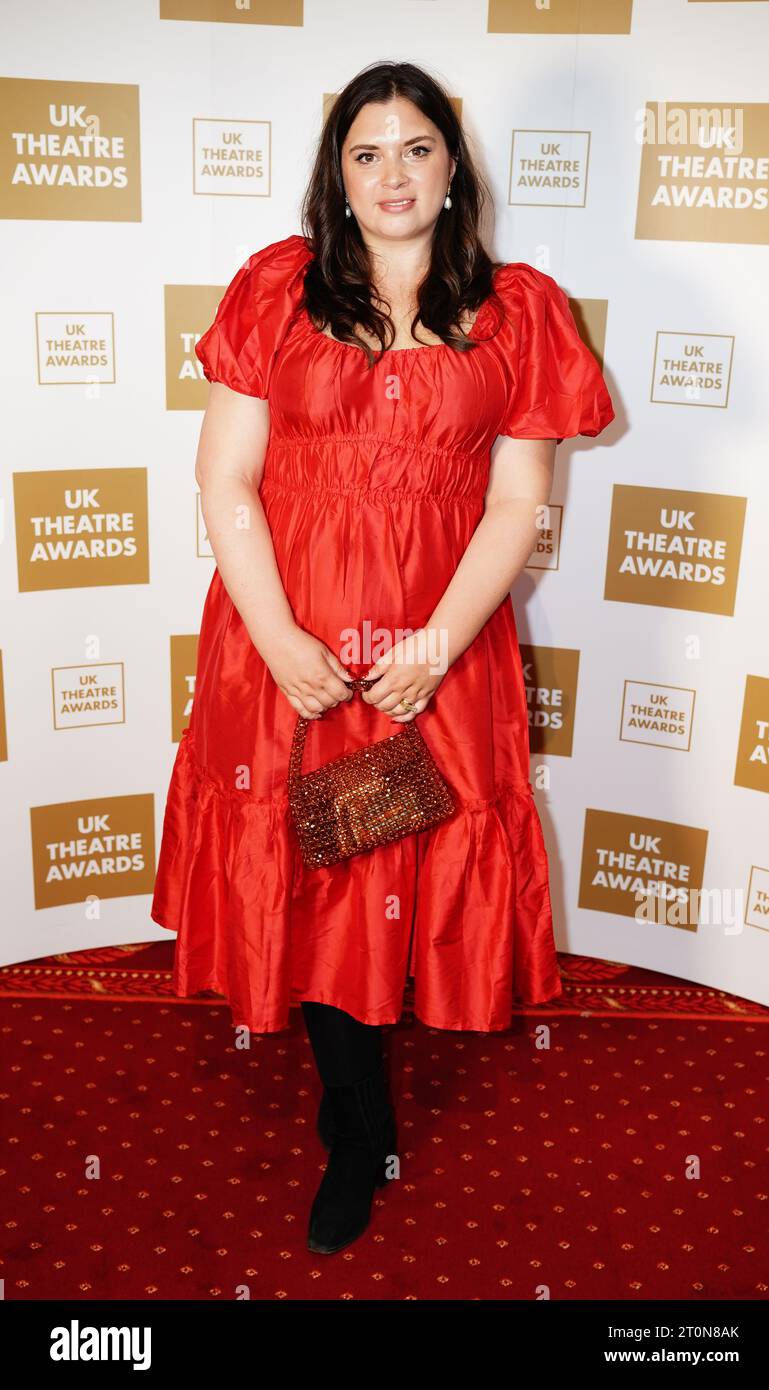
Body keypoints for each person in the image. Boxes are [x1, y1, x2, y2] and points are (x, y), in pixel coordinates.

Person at [150, 59, 615, 1256]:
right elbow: (226, 478)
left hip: (433, 656)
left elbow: (517, 505)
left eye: (416, 147)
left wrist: (437, 646)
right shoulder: (277, 291)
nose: (393, 172)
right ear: (337, 177)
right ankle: (360, 1117)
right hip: (286, 647)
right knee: (307, 867)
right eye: (367, 152)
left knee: (384, 863)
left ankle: (357, 1107)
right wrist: (280, 637)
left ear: (453, 166)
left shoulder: (518, 309)